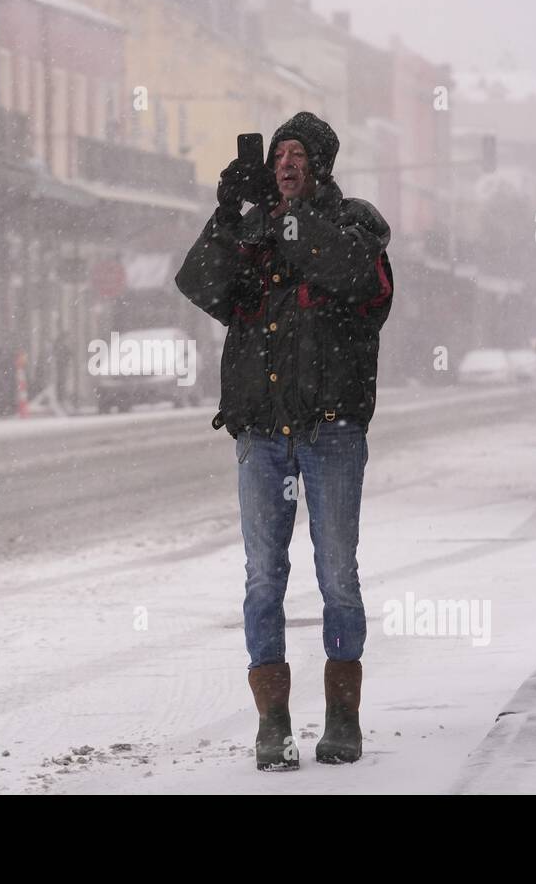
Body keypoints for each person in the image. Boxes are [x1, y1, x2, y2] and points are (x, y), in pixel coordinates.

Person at [174, 112, 393, 771]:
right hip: (263, 434)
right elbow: (200, 284)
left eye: (299, 154)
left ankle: (343, 719)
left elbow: (359, 279)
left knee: (338, 576)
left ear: (320, 165)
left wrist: (286, 220)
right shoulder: (251, 227)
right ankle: (273, 725)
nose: (286, 164)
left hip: (332, 432)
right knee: (263, 578)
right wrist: (228, 214)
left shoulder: (356, 223)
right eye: (278, 155)